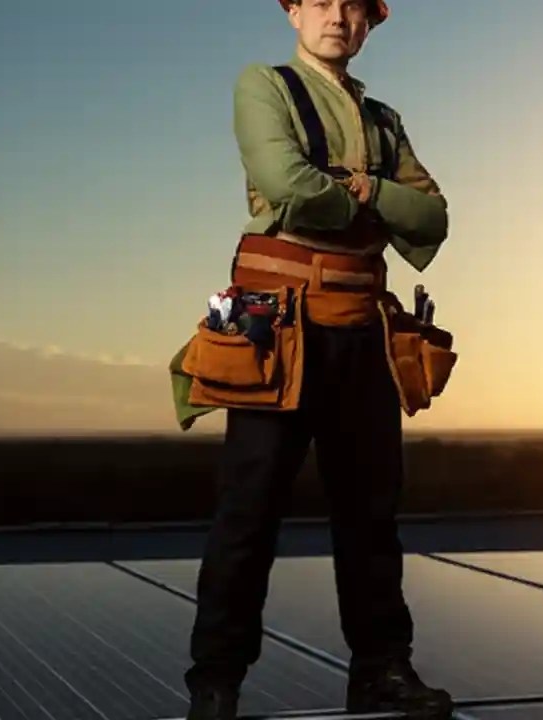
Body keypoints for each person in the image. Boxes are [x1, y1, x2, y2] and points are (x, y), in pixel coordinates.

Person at [181, 0, 454, 718]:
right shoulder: (263, 85)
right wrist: (379, 199)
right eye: (322, 1)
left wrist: (356, 185)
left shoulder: (385, 120)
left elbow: (434, 218)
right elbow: (286, 185)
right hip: (276, 329)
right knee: (249, 509)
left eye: (355, 6)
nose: (339, 16)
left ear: (370, 23)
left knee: (371, 514)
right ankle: (216, 683)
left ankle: (382, 671)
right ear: (294, 11)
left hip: (363, 330)